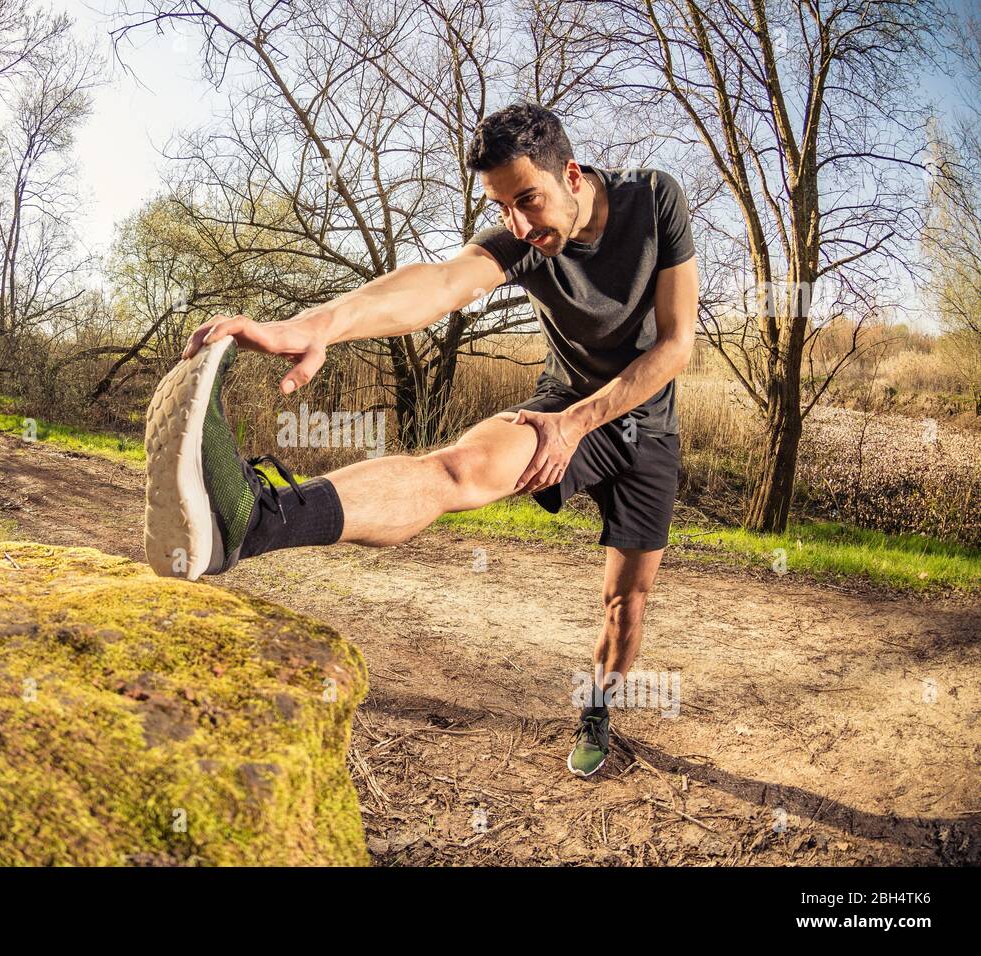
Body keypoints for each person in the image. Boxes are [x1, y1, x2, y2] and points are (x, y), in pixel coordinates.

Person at [142, 102, 698, 777]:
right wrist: (314, 325)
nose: (520, 225)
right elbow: (438, 284)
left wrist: (578, 424)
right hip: (561, 404)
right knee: (456, 469)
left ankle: (598, 709)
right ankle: (251, 522)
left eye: (529, 200)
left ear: (572, 175)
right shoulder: (519, 239)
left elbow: (676, 346)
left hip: (646, 426)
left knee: (625, 601)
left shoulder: (654, 199)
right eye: (502, 208)